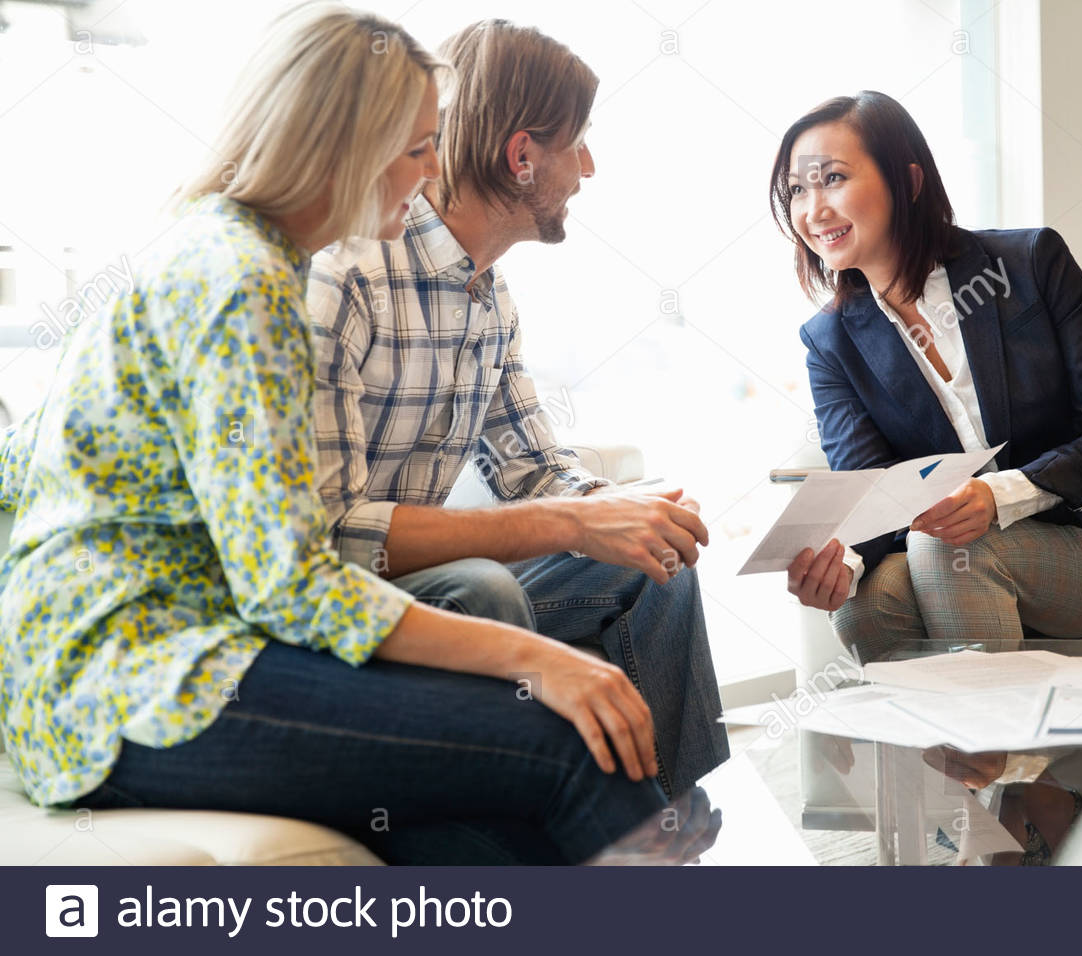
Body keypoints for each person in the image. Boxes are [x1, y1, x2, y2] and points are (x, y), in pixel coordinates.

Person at [0, 3, 669, 866]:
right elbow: (294, 586)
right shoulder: (243, 281)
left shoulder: (237, 256)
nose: (434, 172)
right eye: (420, 146)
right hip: (132, 680)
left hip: (137, 668)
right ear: (349, 146)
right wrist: (539, 662)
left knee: (485, 836)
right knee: (570, 744)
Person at [306, 18, 728, 800]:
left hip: (428, 587)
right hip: (339, 604)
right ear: (522, 154)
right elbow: (330, 536)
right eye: (579, 144)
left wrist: (619, 511)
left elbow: (531, 468)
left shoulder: (488, 296)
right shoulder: (349, 274)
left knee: (655, 567)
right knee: (483, 589)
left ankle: (669, 832)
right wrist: (571, 524)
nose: (590, 169)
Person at [771, 91, 1082, 664]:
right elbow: (875, 492)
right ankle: (941, 755)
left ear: (908, 182)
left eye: (831, 178)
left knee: (948, 551)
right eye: (797, 191)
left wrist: (999, 494)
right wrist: (843, 563)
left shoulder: (1030, 264)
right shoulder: (829, 342)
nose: (813, 209)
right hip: (967, 556)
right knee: (864, 602)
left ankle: (1002, 755)